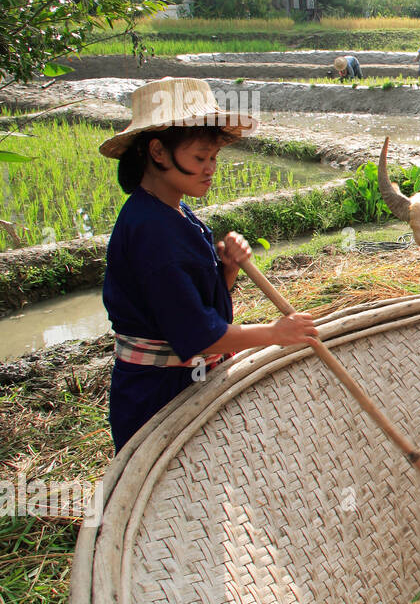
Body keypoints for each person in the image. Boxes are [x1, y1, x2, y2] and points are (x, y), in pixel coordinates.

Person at [99, 77, 319, 452]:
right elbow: (199, 333)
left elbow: (196, 302)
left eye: (213, 158)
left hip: (191, 381)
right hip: (158, 397)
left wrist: (228, 268)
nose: (210, 168)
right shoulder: (151, 230)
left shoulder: (176, 212)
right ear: (157, 152)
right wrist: (275, 333)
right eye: (199, 157)